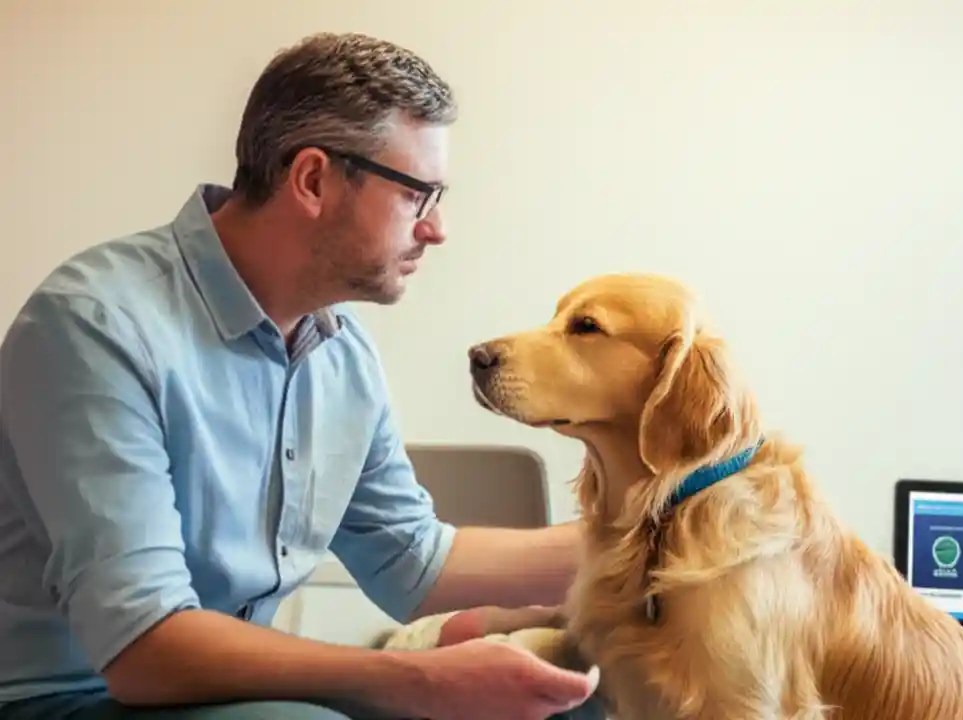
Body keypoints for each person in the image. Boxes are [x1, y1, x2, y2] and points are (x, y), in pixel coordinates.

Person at [0, 32, 603, 720]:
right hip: (64, 698)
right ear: (312, 180)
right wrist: (421, 678)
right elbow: (144, 646)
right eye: (420, 196)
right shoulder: (95, 325)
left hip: (215, 695)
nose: (436, 230)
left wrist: (639, 537)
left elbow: (412, 561)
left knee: (570, 700)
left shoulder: (341, 353)